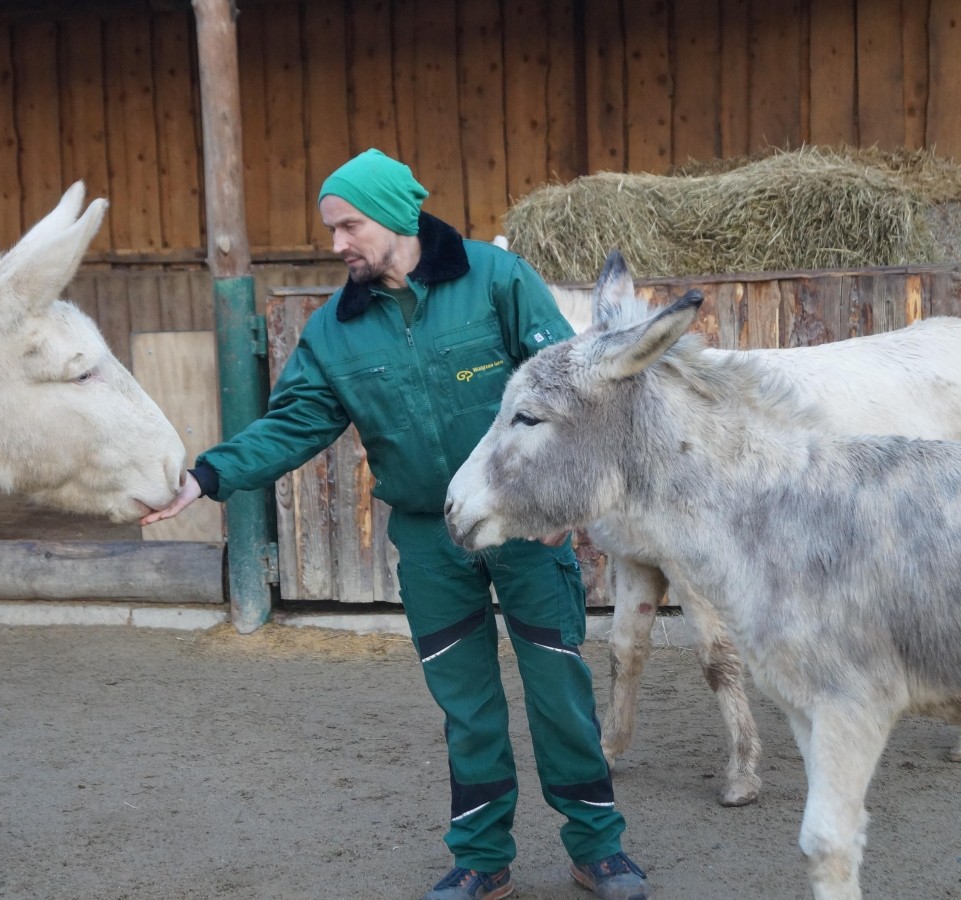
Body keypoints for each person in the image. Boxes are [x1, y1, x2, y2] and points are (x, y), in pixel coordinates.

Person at [144, 148, 651, 900]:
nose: (337, 243)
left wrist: (565, 508)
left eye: (348, 225)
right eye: (332, 230)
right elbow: (294, 424)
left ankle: (599, 850)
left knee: (558, 690)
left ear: (394, 216)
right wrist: (207, 475)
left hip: (522, 528)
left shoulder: (496, 281)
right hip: (429, 538)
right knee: (467, 706)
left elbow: (573, 390)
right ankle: (482, 858)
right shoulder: (336, 330)